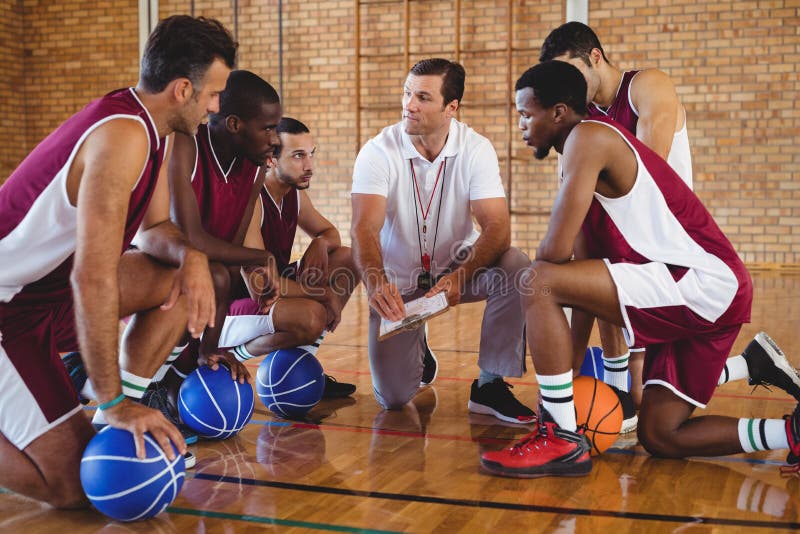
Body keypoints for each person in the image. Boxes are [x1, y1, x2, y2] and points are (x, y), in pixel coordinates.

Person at [480, 61, 800, 478]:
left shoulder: (588, 138)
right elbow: (573, 280)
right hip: (707, 289)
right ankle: (790, 434)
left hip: (702, 283)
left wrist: (557, 408)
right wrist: (563, 379)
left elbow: (551, 255)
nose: (520, 125)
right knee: (660, 435)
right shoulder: (580, 154)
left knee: (534, 277)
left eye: (525, 114)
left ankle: (559, 437)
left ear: (558, 112)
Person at [0, 15, 236, 507]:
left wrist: (191, 257)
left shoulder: (153, 130)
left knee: (175, 280)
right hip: (8, 309)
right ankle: (111, 402)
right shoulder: (122, 138)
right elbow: (92, 277)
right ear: (182, 89)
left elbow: (153, 232)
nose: (215, 107)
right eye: (213, 95)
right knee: (71, 487)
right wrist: (114, 401)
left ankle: (105, 408)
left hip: (43, 297)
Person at [539, 21, 799, 416]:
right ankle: (624, 391)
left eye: (570, 71)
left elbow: (648, 171)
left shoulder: (646, 85)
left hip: (668, 245)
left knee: (647, 388)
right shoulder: (578, 119)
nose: (565, 84)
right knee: (639, 392)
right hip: (621, 246)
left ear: (594, 57)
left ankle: (630, 394)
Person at [350, 58, 535, 423]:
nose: (409, 104)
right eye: (407, 94)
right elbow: (363, 228)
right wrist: (375, 283)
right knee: (394, 399)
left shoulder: (474, 148)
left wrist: (460, 278)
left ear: (451, 108)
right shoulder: (378, 151)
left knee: (516, 265)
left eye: (422, 97)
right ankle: (417, 345)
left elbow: (497, 224)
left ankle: (489, 385)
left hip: (456, 266)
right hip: (398, 281)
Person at [228, 117, 359, 399]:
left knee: (347, 258)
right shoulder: (252, 200)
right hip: (233, 304)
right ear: (271, 160)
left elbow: (329, 232)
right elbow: (263, 286)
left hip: (267, 294)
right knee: (312, 316)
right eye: (298, 156)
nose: (310, 165)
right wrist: (324, 294)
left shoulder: (293, 195)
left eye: (311, 154)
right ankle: (231, 351)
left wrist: (321, 242)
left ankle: (302, 365)